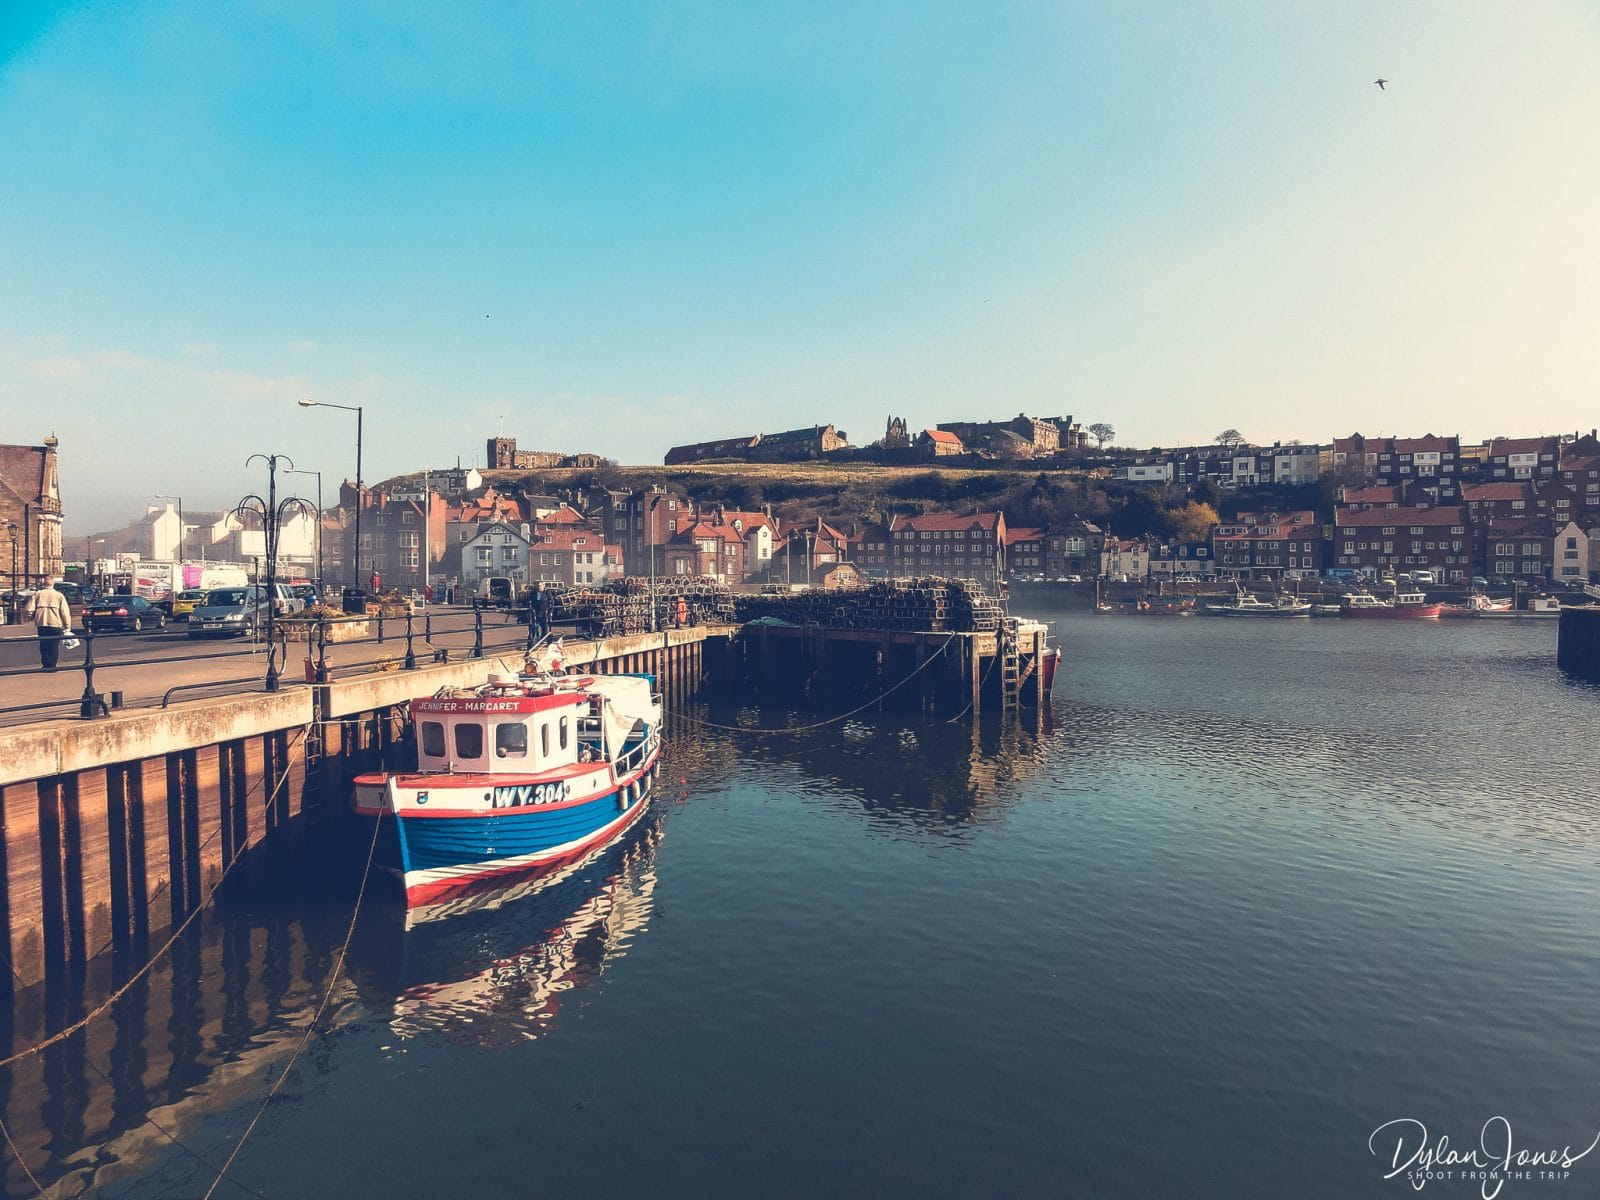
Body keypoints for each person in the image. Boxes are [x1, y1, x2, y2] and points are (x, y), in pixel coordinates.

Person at [28, 578, 74, 672]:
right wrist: (67, 626)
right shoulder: (59, 596)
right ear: (53, 584)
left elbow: (29, 609)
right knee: (53, 646)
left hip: (42, 624)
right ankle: (52, 666)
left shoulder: (37, 594)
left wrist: (32, 617)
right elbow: (65, 613)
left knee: (44, 645)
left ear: (43, 584)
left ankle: (45, 665)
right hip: (55, 624)